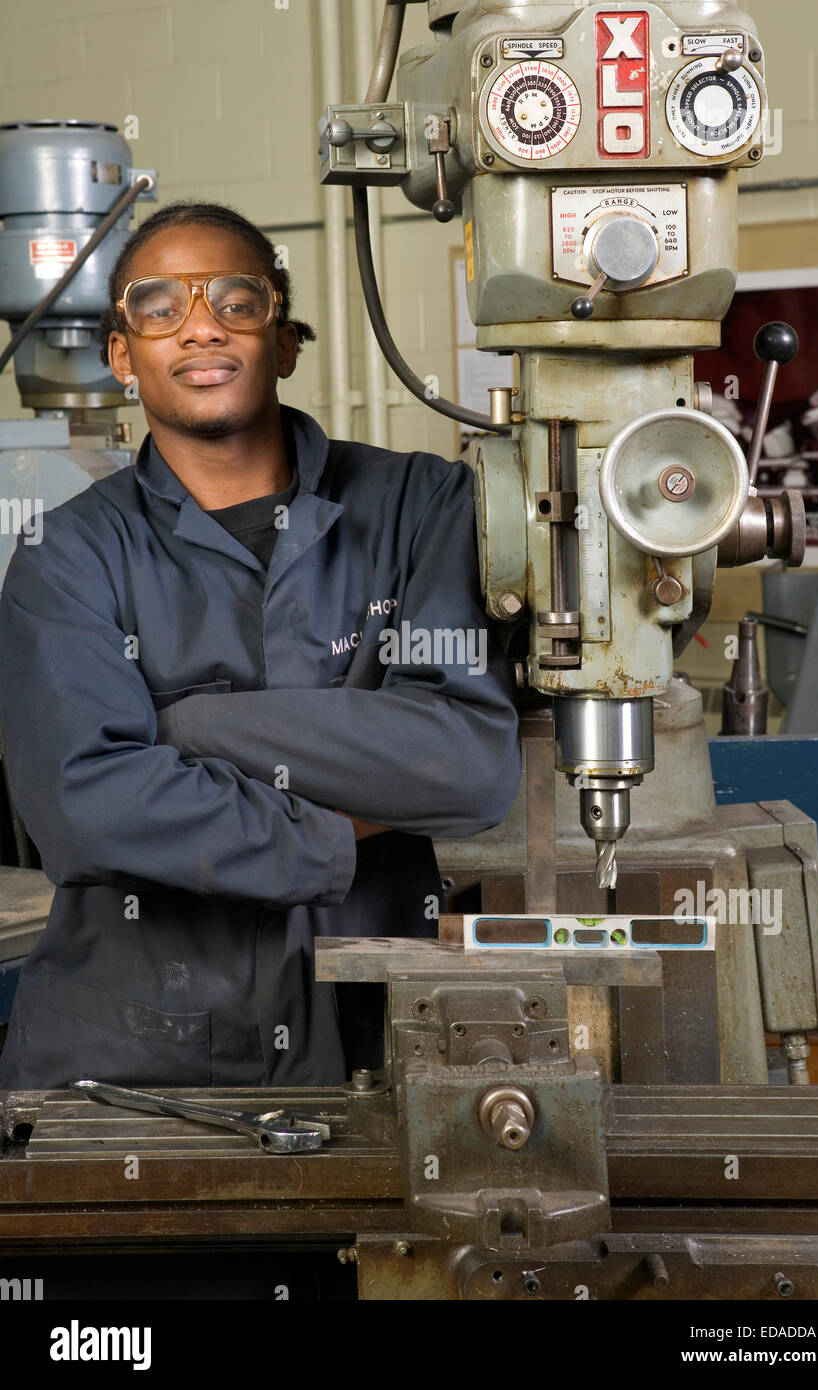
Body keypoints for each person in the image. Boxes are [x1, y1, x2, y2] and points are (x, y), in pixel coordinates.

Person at [0, 201, 521, 1090]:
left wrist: (194, 731)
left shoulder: (420, 505)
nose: (201, 324)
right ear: (123, 355)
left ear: (282, 340)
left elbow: (468, 764)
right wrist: (333, 835)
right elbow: (84, 806)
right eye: (158, 305)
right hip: (139, 1058)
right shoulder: (68, 555)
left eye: (237, 299)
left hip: (380, 1037)